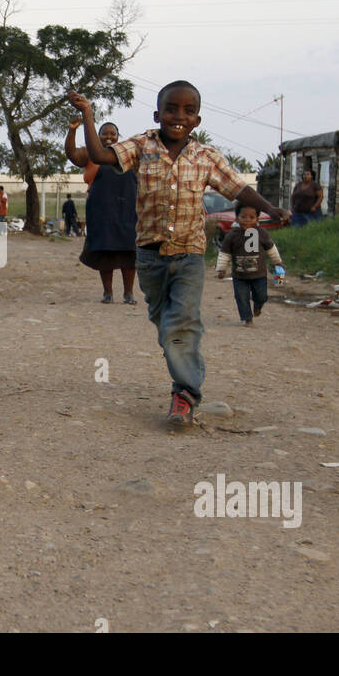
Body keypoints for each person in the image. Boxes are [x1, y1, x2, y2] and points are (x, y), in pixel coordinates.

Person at [68, 83, 289, 428]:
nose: (179, 117)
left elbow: (238, 187)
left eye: (188, 111)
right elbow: (99, 155)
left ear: (197, 120)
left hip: (188, 255)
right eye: (171, 109)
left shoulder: (206, 157)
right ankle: (183, 367)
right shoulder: (142, 146)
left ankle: (184, 394)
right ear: (158, 115)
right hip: (149, 257)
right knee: (163, 322)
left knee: (182, 323)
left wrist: (269, 208)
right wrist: (87, 115)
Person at [64, 115, 137, 304]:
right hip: (101, 213)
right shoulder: (90, 154)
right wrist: (72, 129)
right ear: (98, 136)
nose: (109, 137)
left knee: (129, 253)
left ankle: (129, 293)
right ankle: (108, 293)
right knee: (105, 253)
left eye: (113, 134)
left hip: (127, 211)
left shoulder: (127, 155)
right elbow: (72, 154)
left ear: (118, 136)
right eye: (104, 134)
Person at [216, 201, 283, 326]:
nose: (247, 220)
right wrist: (221, 269)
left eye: (251, 217)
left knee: (262, 296)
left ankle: (258, 306)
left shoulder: (262, 233)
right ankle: (247, 318)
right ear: (237, 217)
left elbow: (271, 248)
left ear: (257, 218)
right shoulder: (232, 235)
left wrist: (277, 262)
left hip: (259, 274)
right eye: (243, 217)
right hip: (240, 276)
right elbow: (224, 253)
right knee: (241, 297)